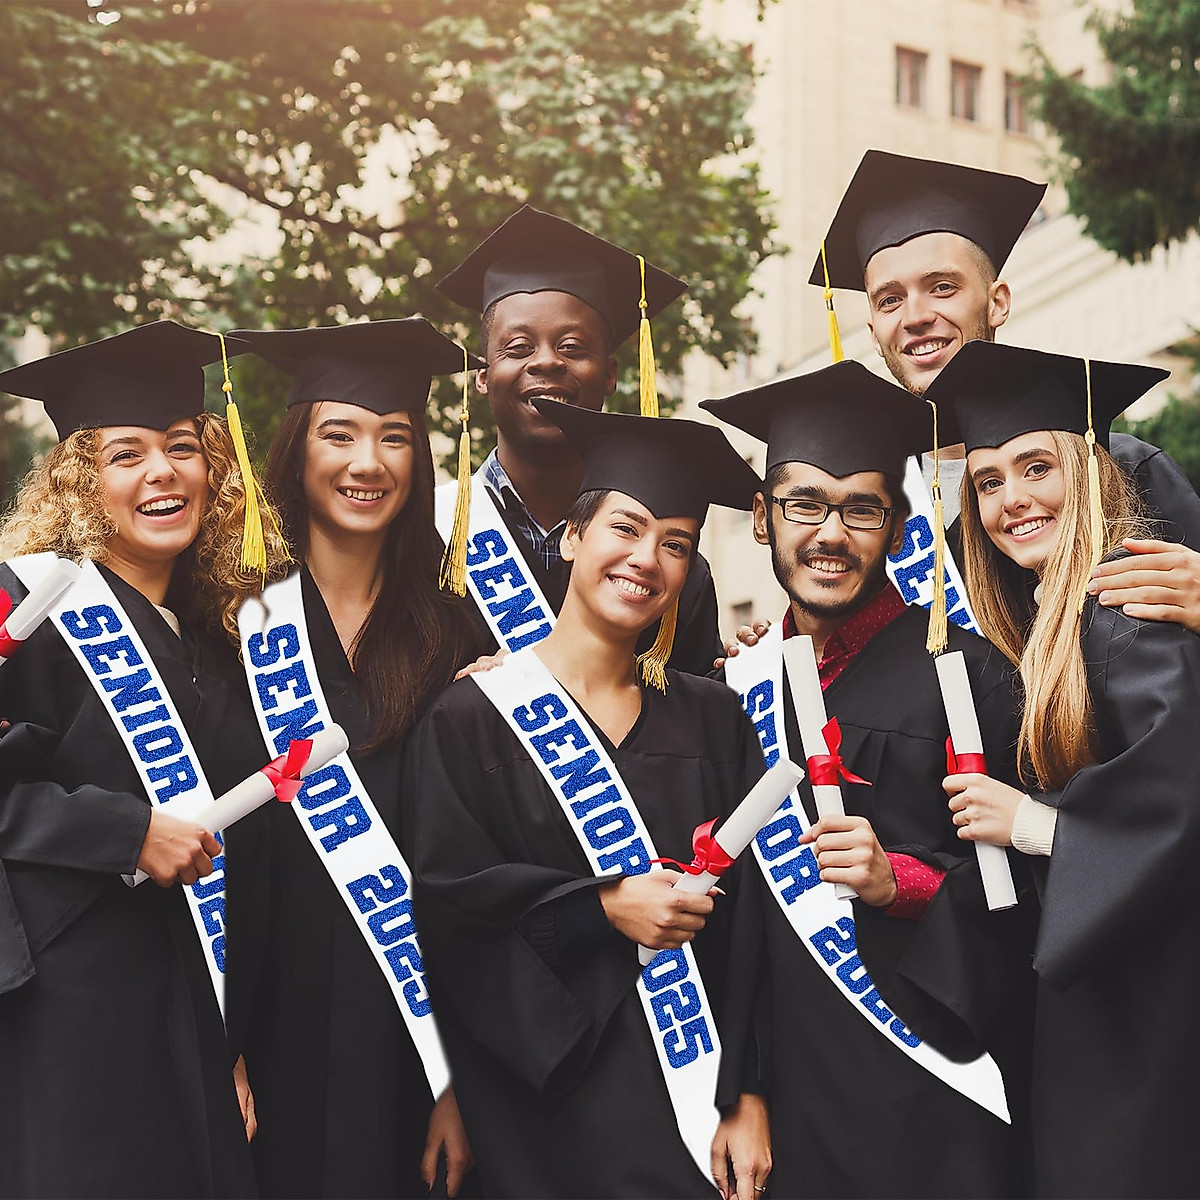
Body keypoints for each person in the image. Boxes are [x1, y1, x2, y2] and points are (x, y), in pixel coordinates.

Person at [402, 402, 771, 1199]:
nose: (647, 559)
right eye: (625, 528)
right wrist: (599, 909)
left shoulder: (714, 720)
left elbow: (753, 928)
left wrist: (747, 1095)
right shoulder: (471, 719)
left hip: (692, 1113)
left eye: (676, 544)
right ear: (572, 536)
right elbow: (448, 912)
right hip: (537, 1112)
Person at [702, 360, 1029, 1198]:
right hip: (783, 1106)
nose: (831, 534)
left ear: (898, 528)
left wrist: (902, 883)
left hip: (933, 1097)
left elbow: (1038, 892)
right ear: (761, 518)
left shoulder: (974, 675)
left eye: (862, 508)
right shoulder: (731, 694)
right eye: (804, 504)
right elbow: (729, 922)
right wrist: (741, 1088)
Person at [0, 320, 289, 1198]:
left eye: (181, 447)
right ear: (80, 483)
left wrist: (230, 1040)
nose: (162, 471)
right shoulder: (25, 606)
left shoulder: (224, 632)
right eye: (125, 455)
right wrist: (124, 831)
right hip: (68, 1019)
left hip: (197, 1015)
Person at [223, 318, 486, 1199]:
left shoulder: (458, 632)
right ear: (297, 448)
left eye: (395, 437)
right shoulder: (230, 619)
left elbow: (476, 869)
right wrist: (216, 1041)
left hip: (409, 1027)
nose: (367, 462)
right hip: (262, 1013)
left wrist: (457, 1078)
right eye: (339, 434)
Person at [932, 340, 1200, 1199]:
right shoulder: (1051, 618)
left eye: (1035, 467)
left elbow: (1178, 810)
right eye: (987, 482)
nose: (1011, 498)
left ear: (1087, 470)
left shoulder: (1128, 610)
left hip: (1152, 1007)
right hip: (1106, 999)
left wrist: (1031, 824)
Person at [812, 148, 1200, 632]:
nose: (915, 317)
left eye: (942, 287)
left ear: (997, 303)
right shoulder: (870, 512)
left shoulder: (1119, 469)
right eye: (890, 300)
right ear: (874, 333)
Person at [435, 204, 725, 672]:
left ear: (610, 375)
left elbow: (697, 709)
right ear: (482, 376)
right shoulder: (426, 539)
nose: (546, 361)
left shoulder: (665, 566)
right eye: (518, 348)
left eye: (571, 347)